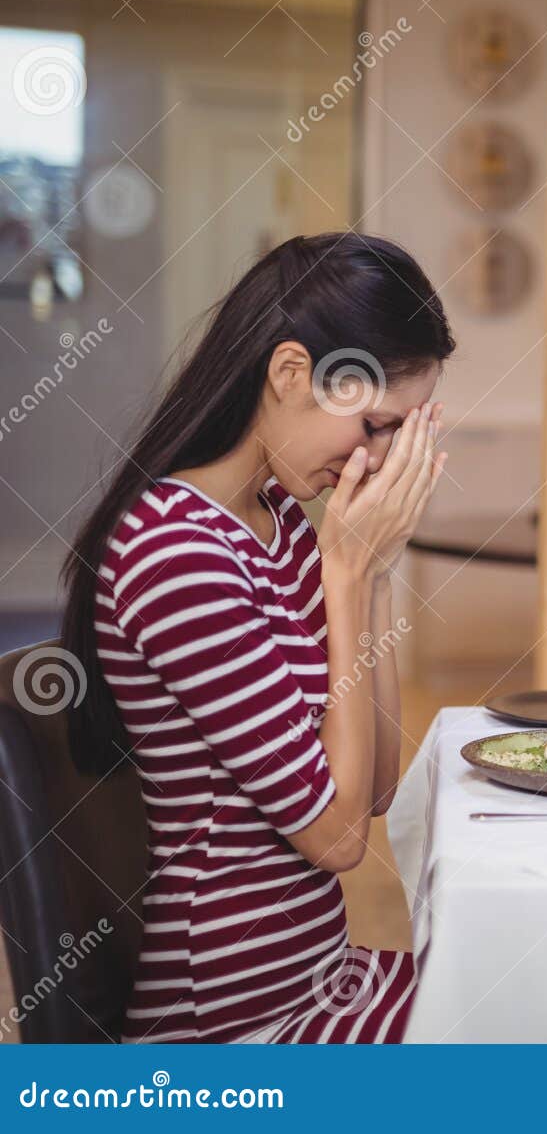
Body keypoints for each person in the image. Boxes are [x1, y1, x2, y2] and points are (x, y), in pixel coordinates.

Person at [60, 233, 453, 1041]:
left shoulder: (276, 524)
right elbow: (339, 839)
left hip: (316, 982)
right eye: (374, 426)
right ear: (288, 374)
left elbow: (372, 789)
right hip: (231, 1027)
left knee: (539, 995)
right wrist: (345, 576)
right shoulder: (176, 549)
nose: (373, 465)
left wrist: (372, 574)